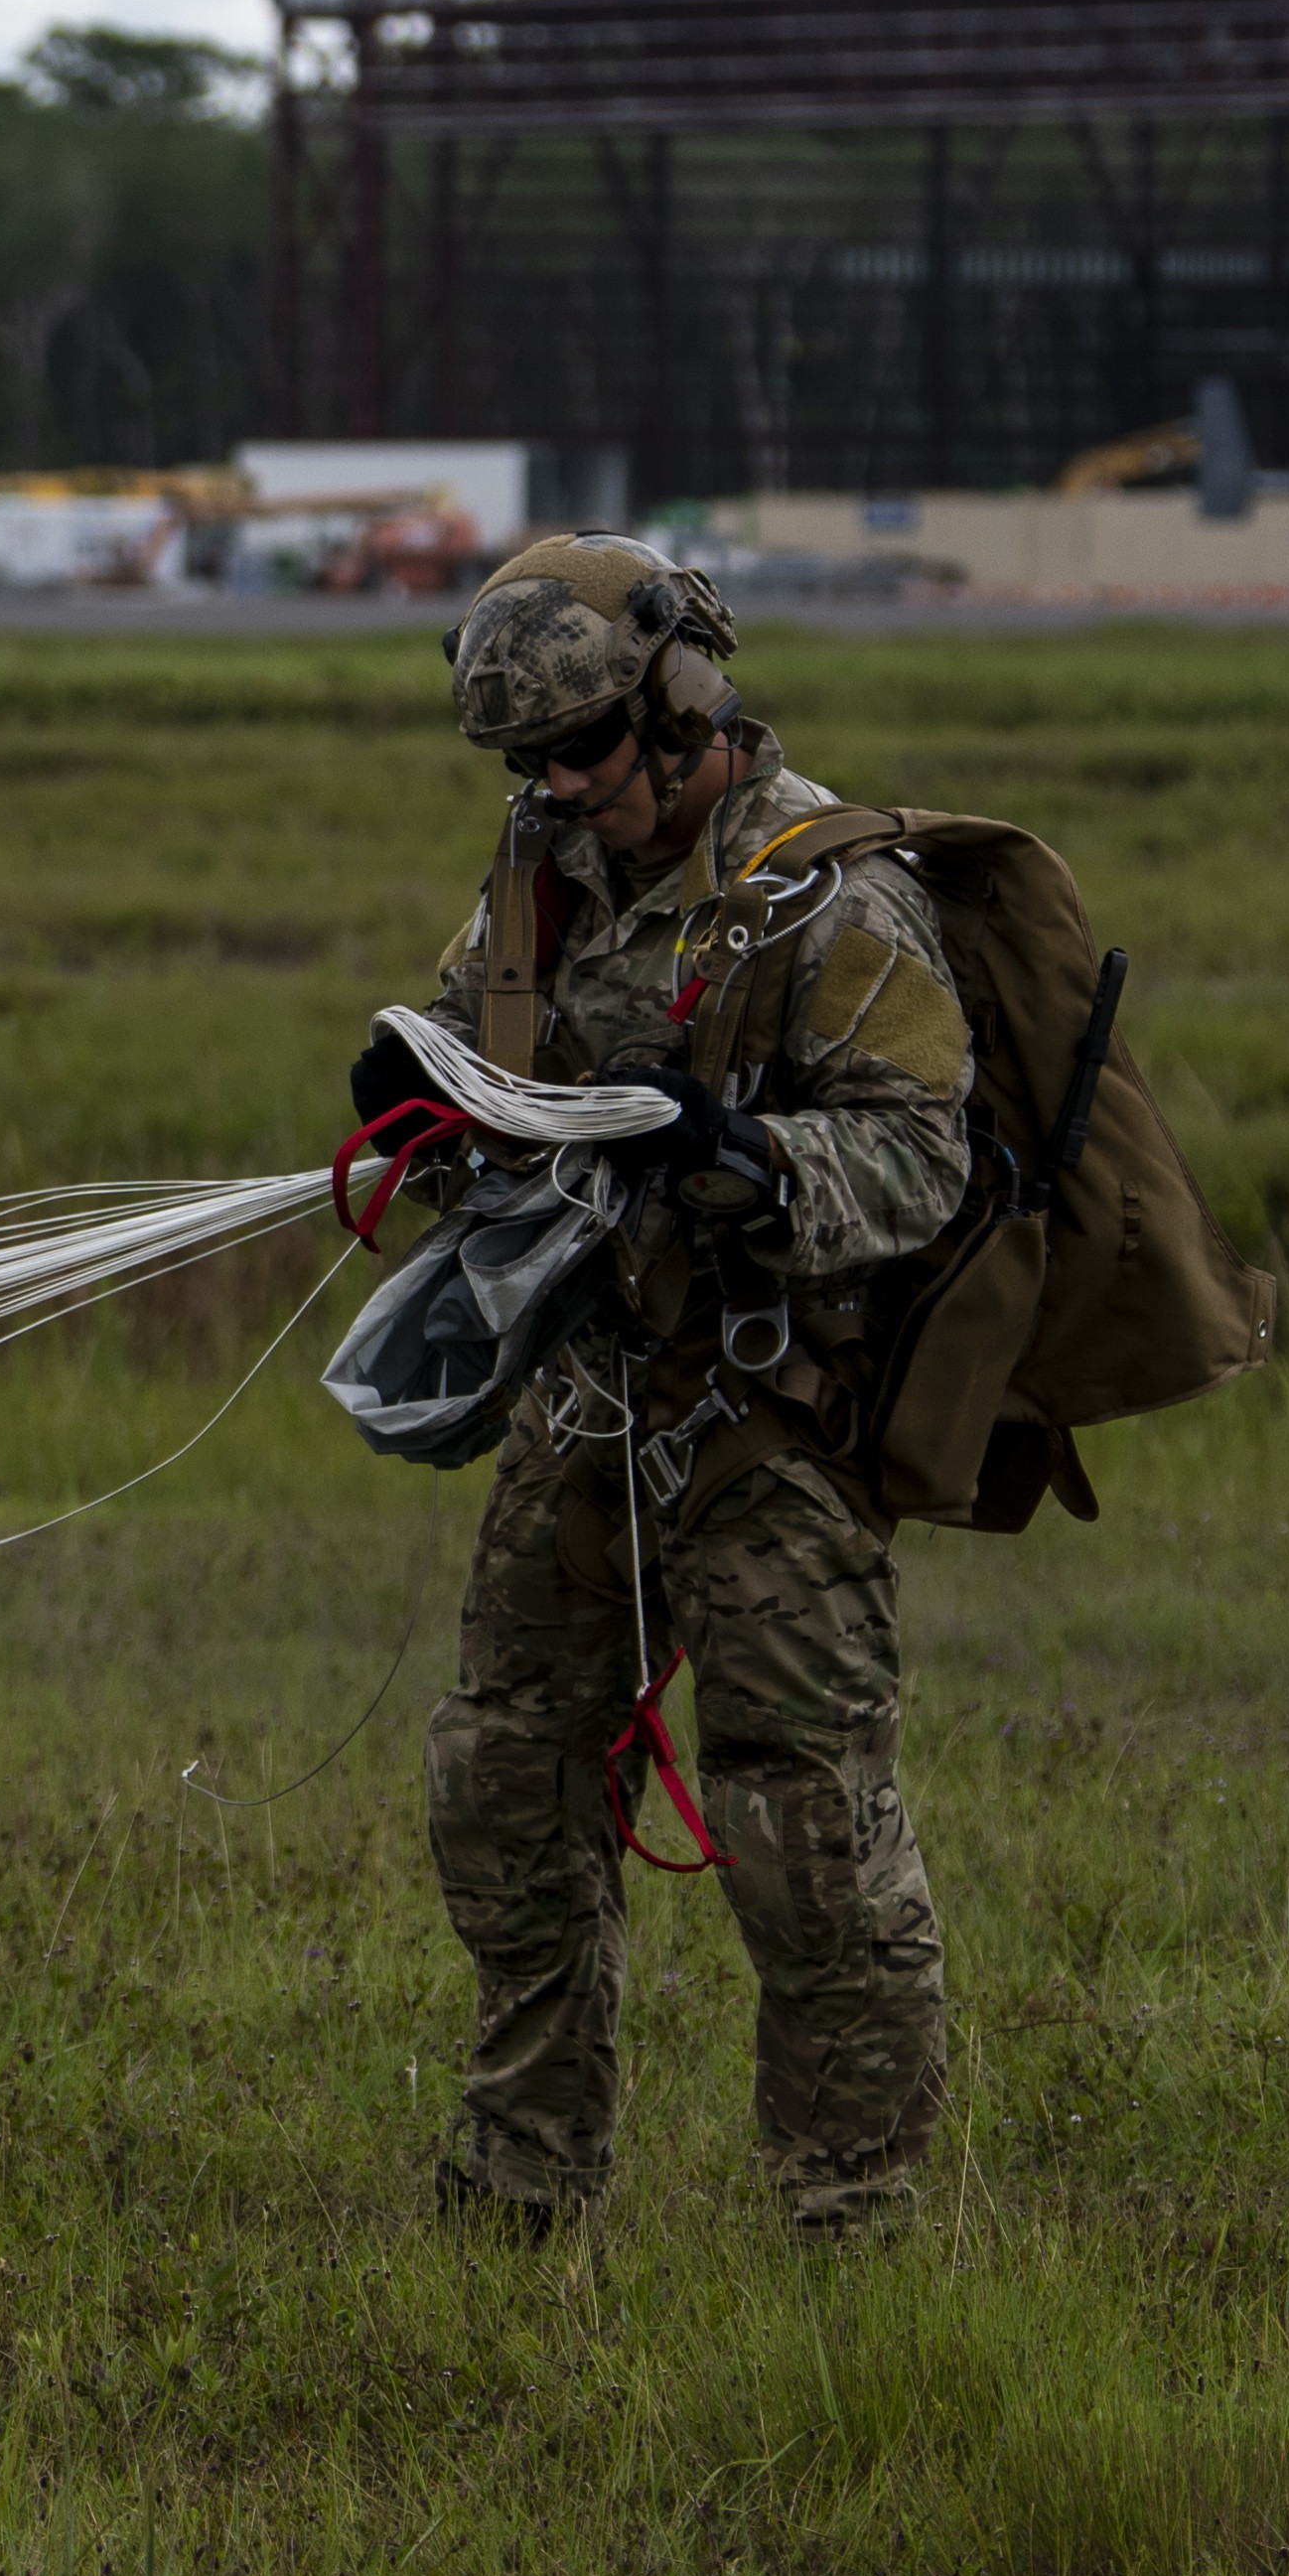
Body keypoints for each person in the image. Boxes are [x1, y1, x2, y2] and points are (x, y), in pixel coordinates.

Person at [345, 537, 975, 2238]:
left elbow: (923, 1161)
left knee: (804, 1832)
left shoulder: (828, 895)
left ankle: (852, 2226)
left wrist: (748, 1158)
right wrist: (421, 1100)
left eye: (581, 753)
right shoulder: (542, 869)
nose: (553, 791)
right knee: (504, 1780)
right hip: (588, 1398)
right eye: (521, 764)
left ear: (684, 703)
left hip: (766, 1421)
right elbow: (483, 1064)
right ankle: (520, 2177)